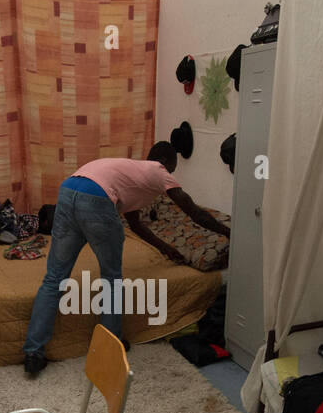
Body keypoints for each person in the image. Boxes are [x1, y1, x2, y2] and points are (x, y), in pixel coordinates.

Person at [22, 141, 231, 377]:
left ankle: (33, 353)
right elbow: (194, 211)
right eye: (173, 167)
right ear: (166, 161)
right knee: (112, 279)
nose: (172, 173)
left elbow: (135, 224)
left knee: (54, 278)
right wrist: (229, 232)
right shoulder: (158, 171)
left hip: (68, 190)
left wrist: (165, 248)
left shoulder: (132, 175)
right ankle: (110, 346)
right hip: (96, 199)